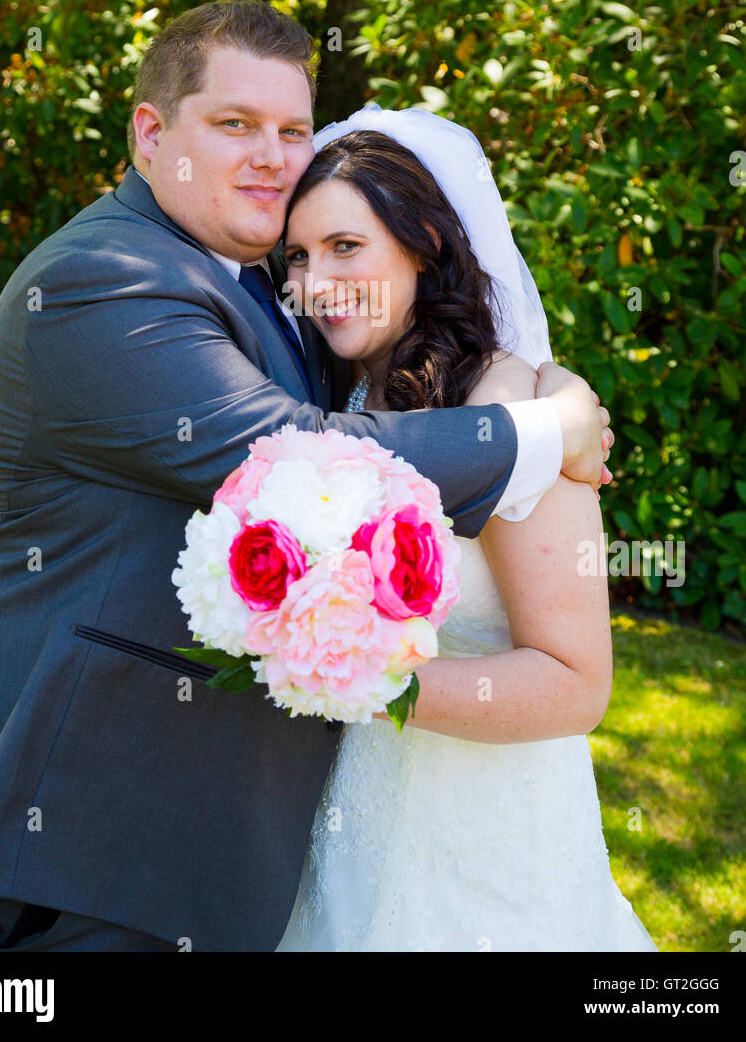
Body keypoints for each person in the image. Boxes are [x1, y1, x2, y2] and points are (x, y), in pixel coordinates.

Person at [0, 1, 610, 953]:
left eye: (291, 130)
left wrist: (541, 379)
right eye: (235, 124)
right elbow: (291, 455)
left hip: (214, 836)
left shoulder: (268, 301)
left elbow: (385, 413)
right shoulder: (102, 277)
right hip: (76, 822)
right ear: (151, 134)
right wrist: (544, 426)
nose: (272, 156)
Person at [275, 107, 657, 952]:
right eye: (297, 256)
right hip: (351, 817)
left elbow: (576, 682)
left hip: (484, 844)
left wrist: (367, 682)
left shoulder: (512, 404)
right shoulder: (341, 400)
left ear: (426, 246)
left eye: (346, 246)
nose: (313, 280)